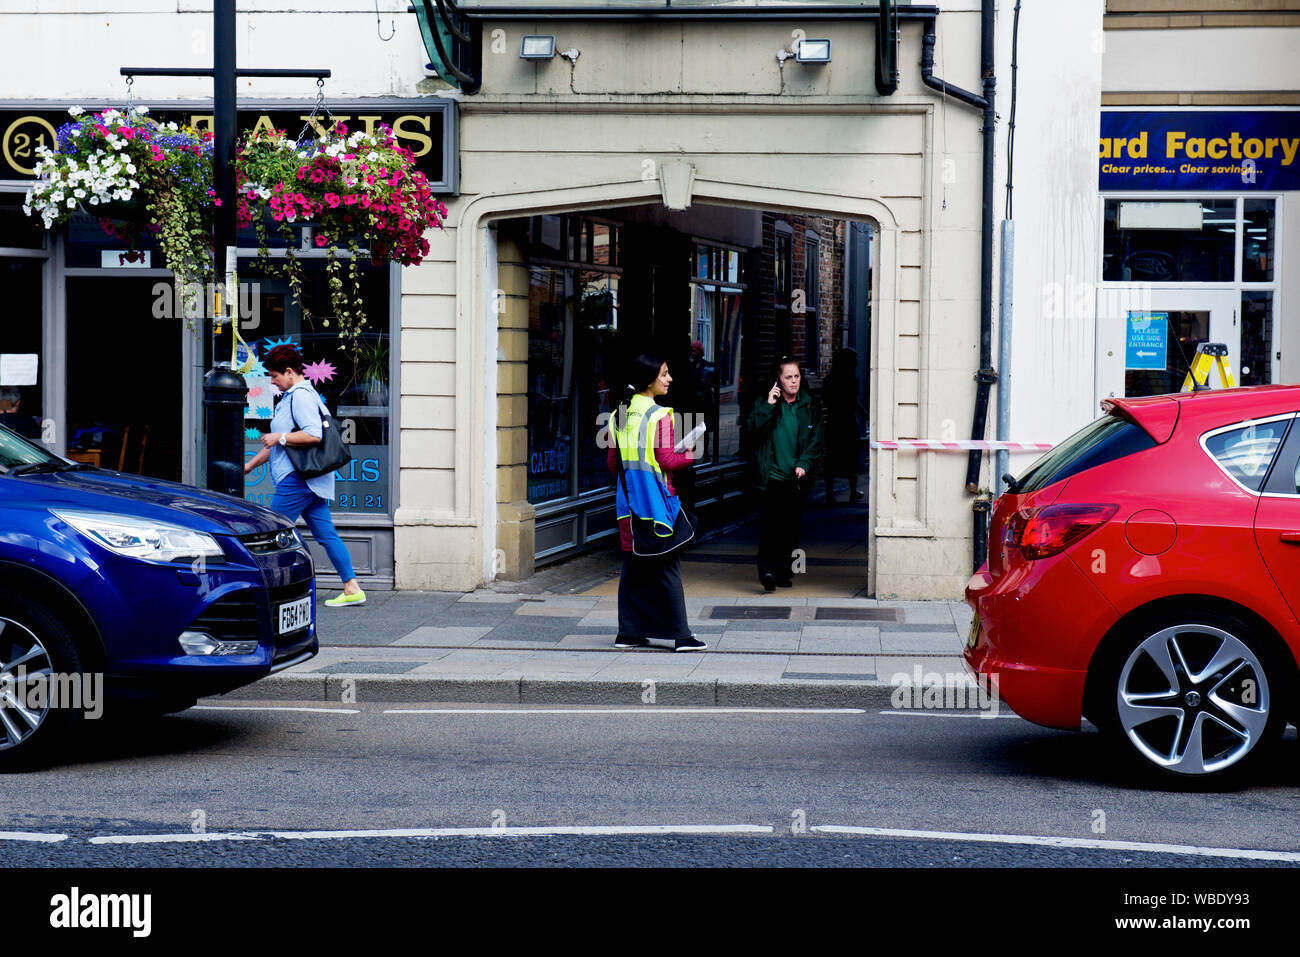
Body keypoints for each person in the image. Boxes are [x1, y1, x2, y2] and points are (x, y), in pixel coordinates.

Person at [244, 344, 365, 608]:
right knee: (326, 534)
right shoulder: (294, 396)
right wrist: (251, 464)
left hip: (298, 480)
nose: (273, 382)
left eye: (275, 376)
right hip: (311, 480)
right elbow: (279, 444)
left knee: (268, 530)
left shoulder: (300, 396)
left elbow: (313, 435)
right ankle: (352, 586)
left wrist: (281, 436)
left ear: (289, 372)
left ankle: (258, 589)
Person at [607, 354, 707, 652]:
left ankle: (628, 633)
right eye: (665, 374)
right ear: (649, 380)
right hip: (657, 505)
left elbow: (614, 465)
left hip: (627, 506)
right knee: (668, 566)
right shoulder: (659, 416)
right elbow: (666, 460)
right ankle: (682, 636)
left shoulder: (619, 415)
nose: (670, 379)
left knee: (634, 566)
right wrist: (689, 452)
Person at [746, 356, 824, 591]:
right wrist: (769, 404)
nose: (793, 381)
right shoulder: (766, 403)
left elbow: (816, 440)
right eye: (788, 377)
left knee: (790, 528)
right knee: (771, 526)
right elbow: (752, 431)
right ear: (778, 380)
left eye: (797, 376)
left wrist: (804, 463)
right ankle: (767, 572)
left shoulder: (809, 406)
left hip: (797, 478)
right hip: (772, 476)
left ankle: (783, 572)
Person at [821, 348, 868, 504]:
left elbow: (825, 401)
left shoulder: (829, 380)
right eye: (854, 359)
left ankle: (829, 494)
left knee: (832, 459)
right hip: (848, 423)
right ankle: (853, 492)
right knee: (851, 458)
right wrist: (867, 416)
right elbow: (854, 403)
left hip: (834, 422)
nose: (857, 362)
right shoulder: (852, 381)